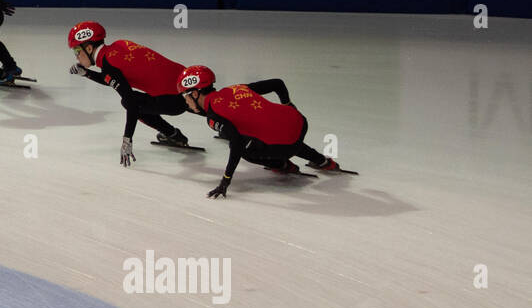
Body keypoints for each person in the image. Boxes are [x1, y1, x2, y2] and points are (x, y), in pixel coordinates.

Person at [176, 65, 350, 199]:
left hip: (287, 146)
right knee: (275, 131)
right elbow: (277, 83)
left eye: (185, 97)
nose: (186, 103)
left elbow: (236, 145)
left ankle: (283, 165)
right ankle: (324, 162)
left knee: (246, 148)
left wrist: (225, 180)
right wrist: (288, 105)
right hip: (299, 121)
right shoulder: (235, 88)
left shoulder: (213, 118)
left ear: (196, 93)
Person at [66, 21, 193, 167]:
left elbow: (131, 103)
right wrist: (87, 74)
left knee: (129, 103)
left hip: (174, 102)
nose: (76, 56)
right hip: (189, 85)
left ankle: (172, 135)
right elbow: (114, 79)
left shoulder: (109, 67)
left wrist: (127, 138)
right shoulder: (119, 46)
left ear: (88, 48)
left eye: (76, 50)